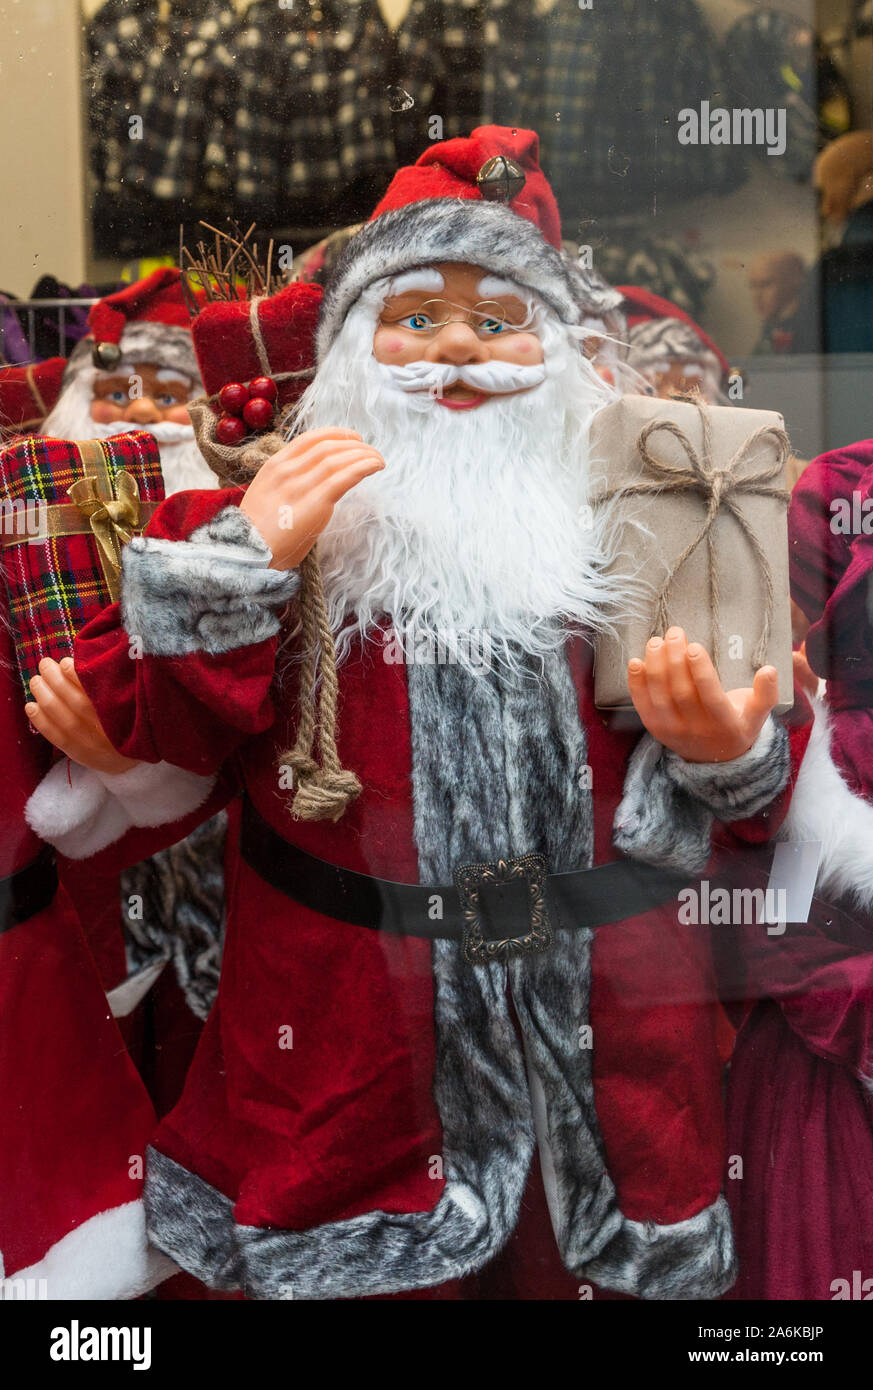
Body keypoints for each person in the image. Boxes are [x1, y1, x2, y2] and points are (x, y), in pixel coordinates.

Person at [26, 126, 862, 1301]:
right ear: (352, 351)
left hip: (606, 1068)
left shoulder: (642, 525)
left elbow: (762, 781)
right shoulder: (273, 524)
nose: (458, 347)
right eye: (414, 317)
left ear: (559, 353)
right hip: (350, 1067)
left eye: (498, 319)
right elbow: (164, 744)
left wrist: (732, 751)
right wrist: (241, 562)